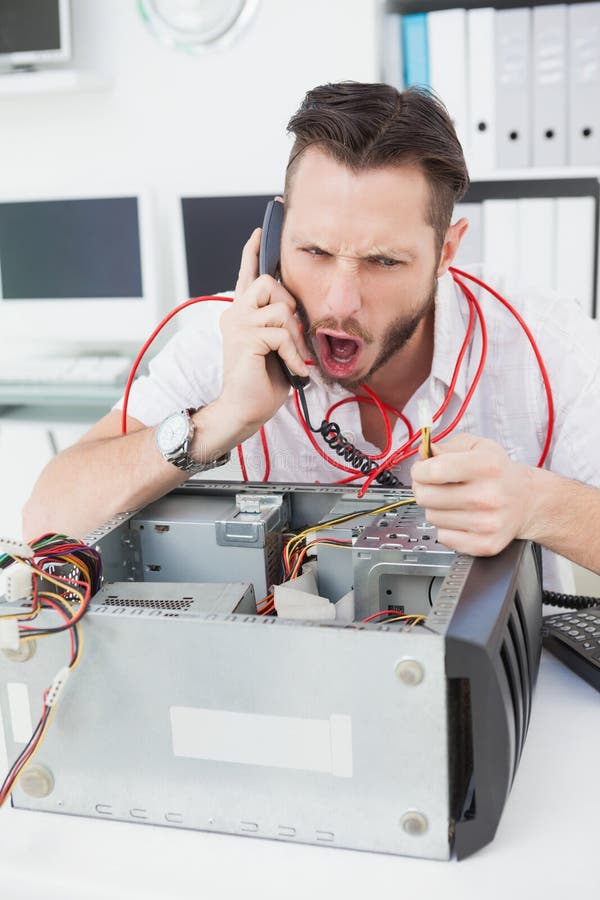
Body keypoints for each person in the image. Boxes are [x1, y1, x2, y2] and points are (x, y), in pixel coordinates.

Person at [23, 81, 600, 590]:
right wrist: (220, 420)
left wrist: (535, 504)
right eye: (314, 251)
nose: (339, 302)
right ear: (276, 232)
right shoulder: (229, 334)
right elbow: (44, 519)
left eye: (385, 262)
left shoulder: (546, 338)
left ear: (447, 251)